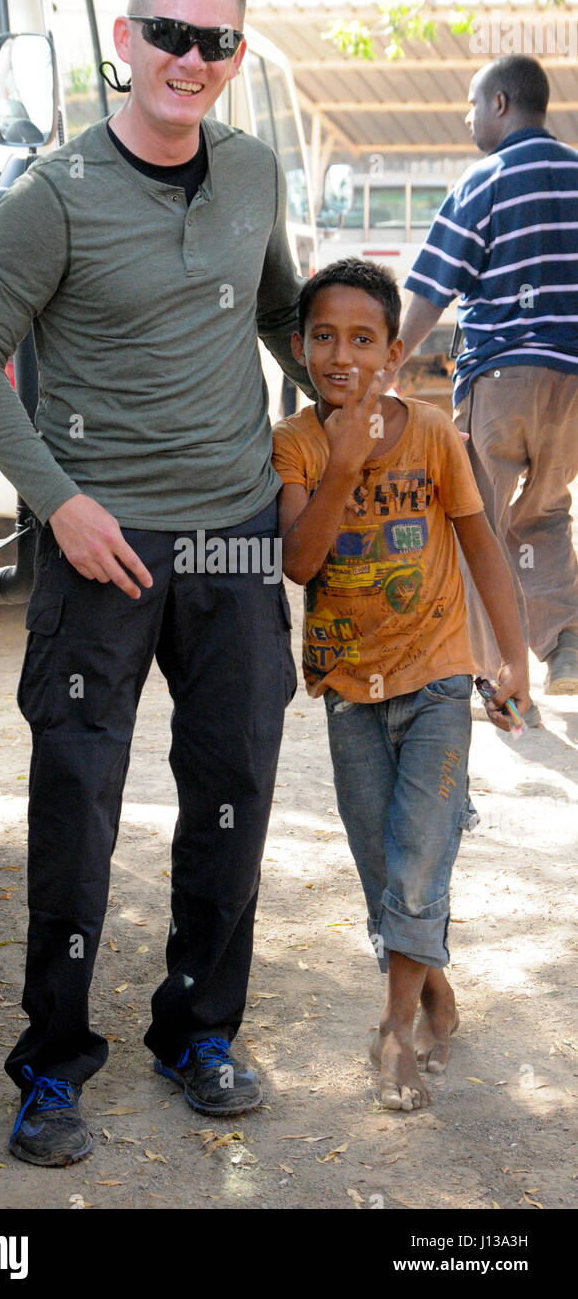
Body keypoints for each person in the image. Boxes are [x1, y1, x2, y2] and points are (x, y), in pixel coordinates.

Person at [0, 0, 308, 1167]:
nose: (186, 60)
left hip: (237, 541)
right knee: (77, 811)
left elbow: (278, 311)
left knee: (232, 797)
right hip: (101, 550)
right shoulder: (53, 193)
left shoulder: (252, 172)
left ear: (234, 56)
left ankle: (197, 1032)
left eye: (212, 42)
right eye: (166, 34)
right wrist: (56, 502)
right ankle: (52, 1067)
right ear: (124, 42)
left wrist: (346, 407)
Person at [272, 258, 529, 1111]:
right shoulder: (298, 444)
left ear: (391, 353)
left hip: (436, 678)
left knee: (419, 853)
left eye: (362, 339)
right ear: (301, 346)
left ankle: (393, 1031)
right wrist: (342, 462)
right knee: (380, 862)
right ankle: (431, 990)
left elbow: (483, 546)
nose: (340, 354)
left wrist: (510, 656)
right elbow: (300, 561)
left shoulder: (430, 435)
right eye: (322, 336)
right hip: (349, 686)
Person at [399, 54, 578, 702]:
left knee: (471, 518)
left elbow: (428, 288)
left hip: (501, 377)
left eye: (472, 103)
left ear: (500, 104)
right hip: (573, 388)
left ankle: (493, 672)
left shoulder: (485, 180)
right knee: (544, 513)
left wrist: (387, 365)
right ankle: (565, 646)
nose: (466, 116)